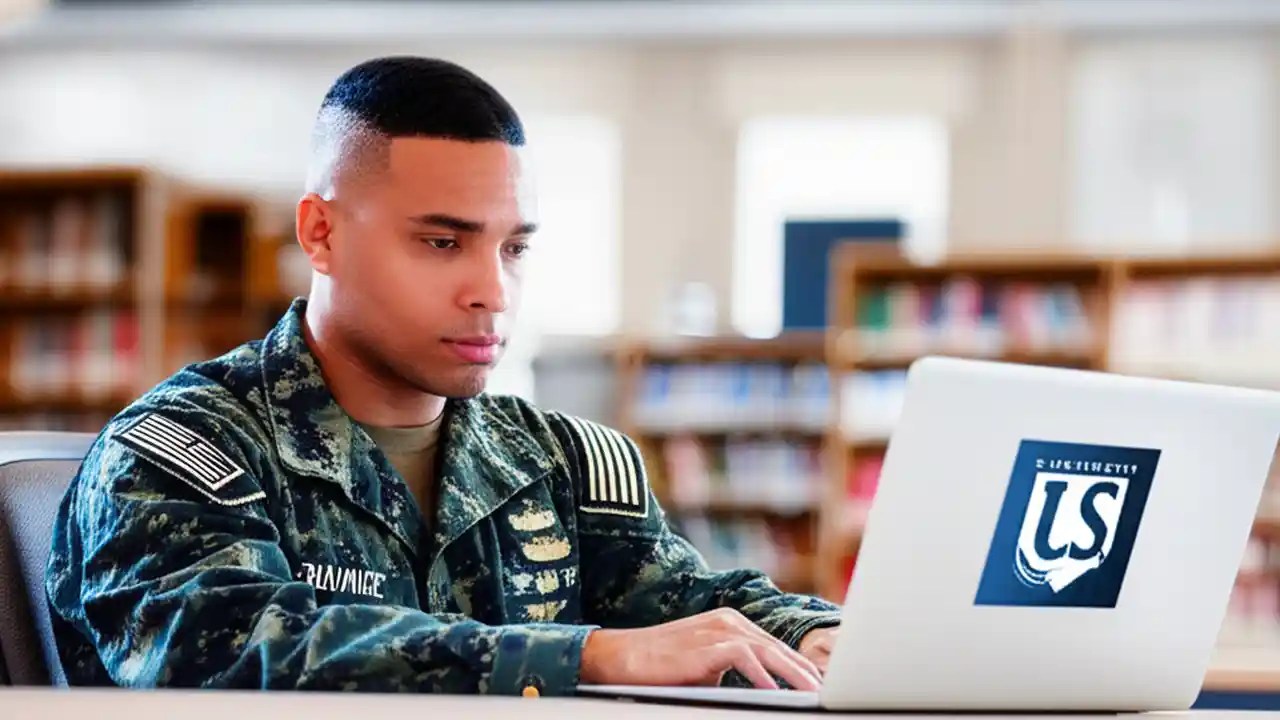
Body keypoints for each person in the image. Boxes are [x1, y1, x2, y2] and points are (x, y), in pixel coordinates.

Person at [45, 56, 842, 695]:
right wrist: (587, 656)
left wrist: (812, 632)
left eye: (514, 248)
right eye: (440, 243)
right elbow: (232, 650)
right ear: (320, 234)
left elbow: (690, 605)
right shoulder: (176, 455)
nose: (492, 291)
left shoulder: (562, 462)